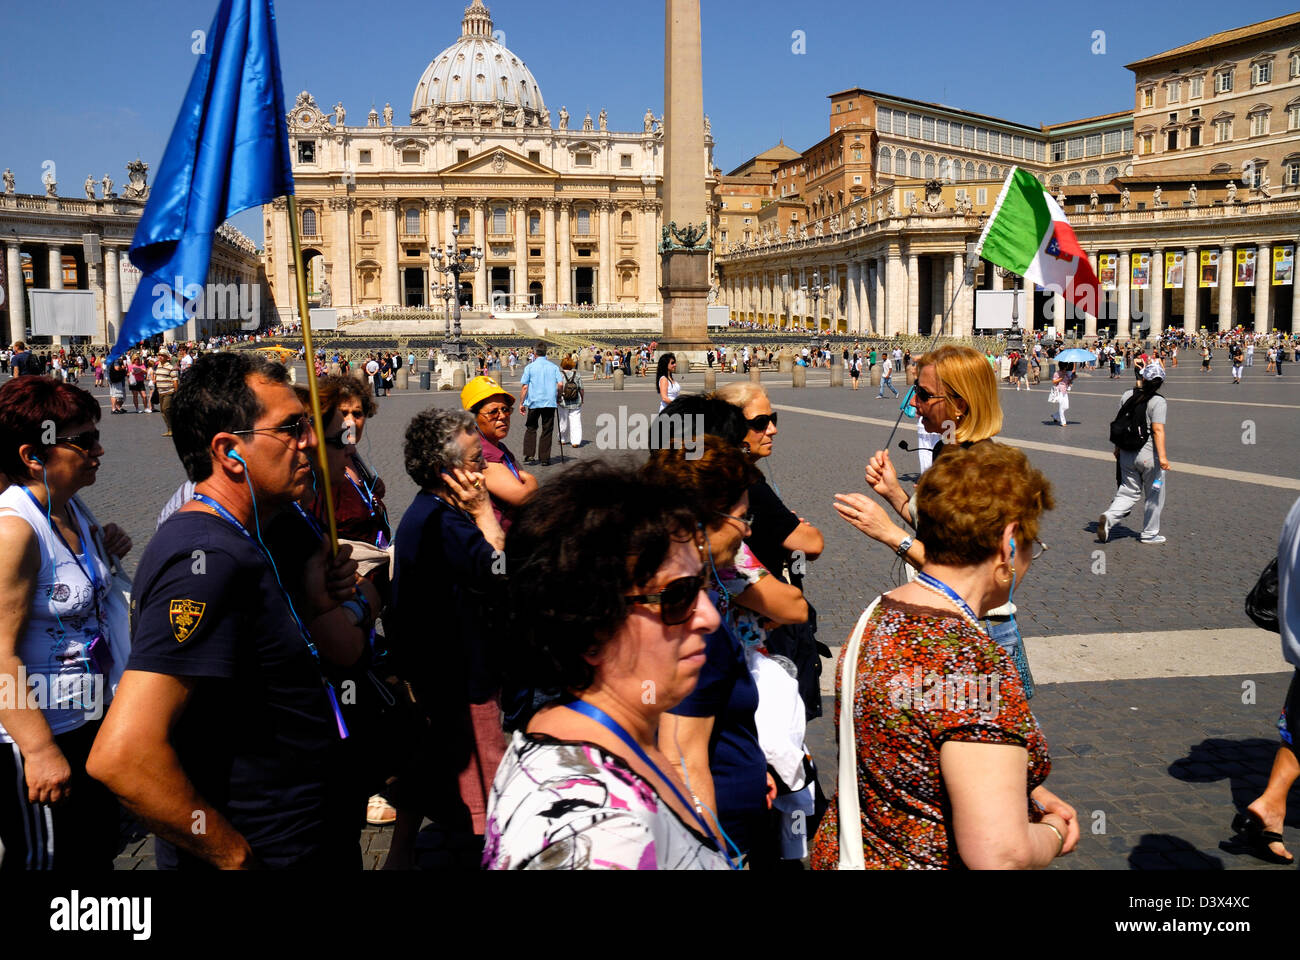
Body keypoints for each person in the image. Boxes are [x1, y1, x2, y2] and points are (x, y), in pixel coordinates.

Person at [87, 352, 373, 870]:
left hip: (317, 832)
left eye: (308, 424)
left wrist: (317, 600)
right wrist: (230, 853)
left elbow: (337, 651)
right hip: (267, 849)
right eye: (290, 427)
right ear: (229, 451)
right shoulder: (204, 560)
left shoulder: (280, 525)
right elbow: (123, 755)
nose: (310, 440)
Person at [813, 442, 1076, 869]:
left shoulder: (881, 613)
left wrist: (1021, 789)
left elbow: (916, 756)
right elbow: (1000, 855)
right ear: (1009, 543)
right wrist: (1053, 831)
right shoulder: (972, 662)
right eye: (1032, 545)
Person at [485, 461, 730, 870]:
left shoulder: (611, 734)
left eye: (703, 584)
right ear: (590, 627)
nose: (709, 616)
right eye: (678, 596)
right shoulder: (597, 832)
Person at [648, 438, 812, 866]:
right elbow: (681, 757)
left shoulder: (688, 590)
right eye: (742, 517)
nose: (750, 530)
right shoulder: (689, 621)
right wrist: (709, 854)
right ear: (701, 523)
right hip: (716, 839)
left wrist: (754, 767)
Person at [837, 346, 1036, 697]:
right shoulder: (949, 451)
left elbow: (972, 579)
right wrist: (895, 493)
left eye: (924, 395)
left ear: (959, 404)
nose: (914, 404)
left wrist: (889, 534)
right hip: (948, 624)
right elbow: (940, 535)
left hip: (982, 632)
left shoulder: (985, 470)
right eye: (914, 391)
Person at [0, 376, 129, 870]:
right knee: (46, 862)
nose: (99, 451)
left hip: (89, 718)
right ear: (33, 454)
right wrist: (38, 749)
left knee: (92, 854)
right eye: (85, 441)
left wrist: (105, 544)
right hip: (39, 733)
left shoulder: (71, 506)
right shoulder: (15, 529)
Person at [384, 408, 507, 869]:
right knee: (486, 786)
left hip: (446, 671)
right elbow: (498, 570)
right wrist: (485, 514)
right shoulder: (449, 524)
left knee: (442, 770)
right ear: (448, 471)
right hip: (461, 675)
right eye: (476, 461)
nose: (484, 469)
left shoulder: (429, 512)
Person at [1098, 362, 1169, 546]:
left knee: (1127, 492)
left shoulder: (1127, 395)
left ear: (1142, 377)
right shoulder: (1158, 401)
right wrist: (1162, 458)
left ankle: (1109, 517)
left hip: (1126, 453)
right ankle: (1149, 533)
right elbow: (1158, 430)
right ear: (1160, 382)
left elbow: (1120, 422)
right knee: (1154, 494)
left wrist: (1117, 448)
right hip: (1148, 457)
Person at [462, 376, 538, 534]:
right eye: (492, 412)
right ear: (472, 418)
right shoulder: (481, 453)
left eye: (505, 409)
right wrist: (531, 481)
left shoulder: (496, 445)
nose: (502, 416)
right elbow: (524, 497)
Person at [519, 341, 563, 467]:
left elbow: (525, 387)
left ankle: (529, 454)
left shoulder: (530, 367)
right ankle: (545, 458)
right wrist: (558, 397)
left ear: (535, 353)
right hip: (550, 402)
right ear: (546, 352)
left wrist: (521, 403)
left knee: (531, 428)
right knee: (547, 430)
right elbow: (560, 384)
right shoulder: (554, 367)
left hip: (534, 401)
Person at [557, 356, 584, 448]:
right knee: (576, 421)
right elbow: (581, 389)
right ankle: (575, 441)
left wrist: (557, 398)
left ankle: (563, 439)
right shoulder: (577, 374)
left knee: (563, 421)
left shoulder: (559, 374)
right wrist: (582, 399)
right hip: (576, 400)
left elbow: (556, 388)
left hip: (562, 401)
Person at [1050, 361, 1073, 428]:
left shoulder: (1066, 373)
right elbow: (1054, 381)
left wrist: (1073, 378)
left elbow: (1068, 382)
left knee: (1066, 406)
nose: (1066, 368)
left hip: (1064, 391)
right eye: (1066, 366)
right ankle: (1063, 422)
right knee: (1061, 406)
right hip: (1059, 391)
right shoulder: (1057, 373)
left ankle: (1055, 416)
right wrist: (1061, 378)